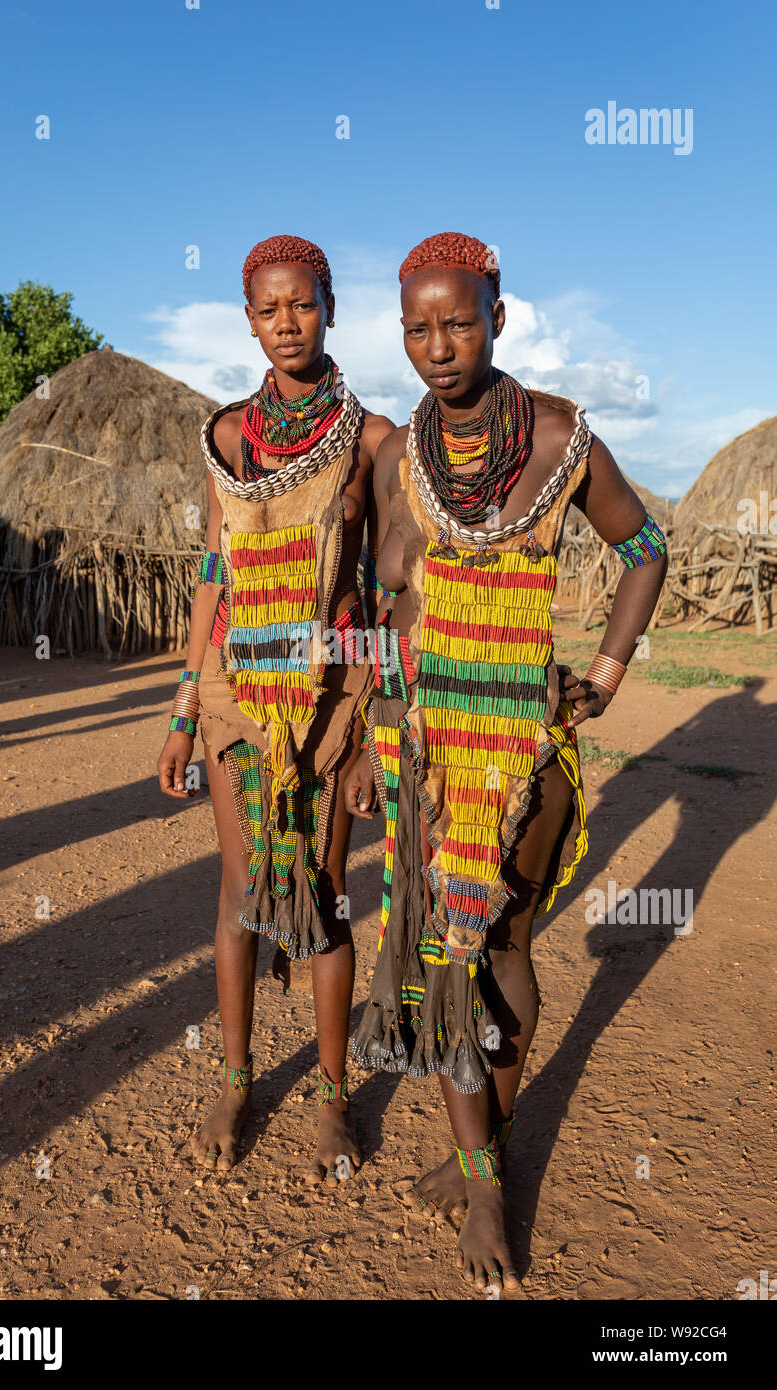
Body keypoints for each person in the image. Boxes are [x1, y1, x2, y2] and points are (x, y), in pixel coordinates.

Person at [345, 232, 667, 1288]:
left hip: (517, 751)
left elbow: (641, 549)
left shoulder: (558, 439)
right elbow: (382, 601)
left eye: (458, 320)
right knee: (437, 952)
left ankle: (485, 1165)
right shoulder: (397, 458)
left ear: (497, 314)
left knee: (500, 954)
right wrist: (361, 724)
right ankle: (482, 1164)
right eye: (416, 327)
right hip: (414, 745)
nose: (438, 345)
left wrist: (606, 675)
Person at [157, 235, 393, 1184]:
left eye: (302, 305)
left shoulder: (374, 441)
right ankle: (238, 1078)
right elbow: (213, 571)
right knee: (240, 894)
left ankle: (333, 1096)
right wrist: (181, 707)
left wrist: (379, 720)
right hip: (232, 689)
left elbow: (387, 587)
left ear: (330, 305)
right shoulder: (224, 438)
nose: (286, 323)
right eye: (268, 309)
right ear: (247, 318)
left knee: (327, 896)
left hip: (332, 691)